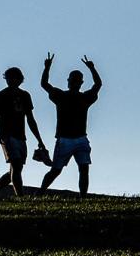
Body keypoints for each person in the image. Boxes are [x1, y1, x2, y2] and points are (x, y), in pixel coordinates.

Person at [39, 53, 102, 197]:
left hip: (77, 138)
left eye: (75, 80)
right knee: (59, 170)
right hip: (68, 139)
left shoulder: (68, 96)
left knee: (82, 169)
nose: (74, 82)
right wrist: (92, 68)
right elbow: (98, 85)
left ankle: (82, 198)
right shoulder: (75, 97)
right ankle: (41, 193)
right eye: (74, 80)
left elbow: (44, 84)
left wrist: (47, 67)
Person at [0, 67, 46, 198]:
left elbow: (30, 119)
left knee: (15, 169)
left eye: (14, 78)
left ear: (20, 79)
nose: (11, 80)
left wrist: (39, 140)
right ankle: (20, 198)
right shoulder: (0, 96)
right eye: (9, 78)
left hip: (21, 136)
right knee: (16, 166)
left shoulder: (25, 95)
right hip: (6, 136)